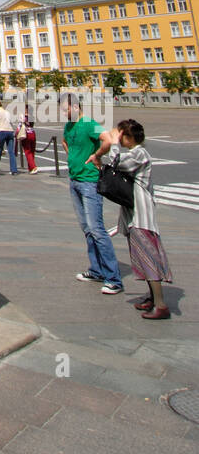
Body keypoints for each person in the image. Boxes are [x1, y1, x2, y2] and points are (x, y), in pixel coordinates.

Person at [88, 120, 172, 320]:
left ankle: (160, 304)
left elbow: (119, 164)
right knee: (143, 259)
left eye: (121, 135)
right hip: (135, 215)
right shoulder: (136, 152)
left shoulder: (140, 154)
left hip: (142, 217)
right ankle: (152, 298)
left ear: (129, 137)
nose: (119, 138)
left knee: (148, 259)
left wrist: (114, 144)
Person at [63, 95, 123, 294]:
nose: (64, 113)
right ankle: (96, 270)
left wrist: (96, 156)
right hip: (74, 180)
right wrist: (74, 158)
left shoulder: (88, 123)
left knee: (97, 229)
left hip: (89, 181)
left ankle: (113, 278)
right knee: (87, 229)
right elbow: (65, 142)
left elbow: (107, 139)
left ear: (75, 106)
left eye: (66, 109)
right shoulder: (69, 126)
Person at [0, 98, 17, 175]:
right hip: (10, 131)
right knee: (11, 151)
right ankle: (14, 170)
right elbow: (10, 121)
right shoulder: (7, 112)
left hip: (2, 131)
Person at [20, 106, 38, 174]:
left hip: (26, 134)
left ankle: (33, 167)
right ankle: (31, 167)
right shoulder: (32, 117)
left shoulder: (23, 117)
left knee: (28, 151)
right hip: (33, 133)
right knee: (32, 151)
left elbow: (20, 125)